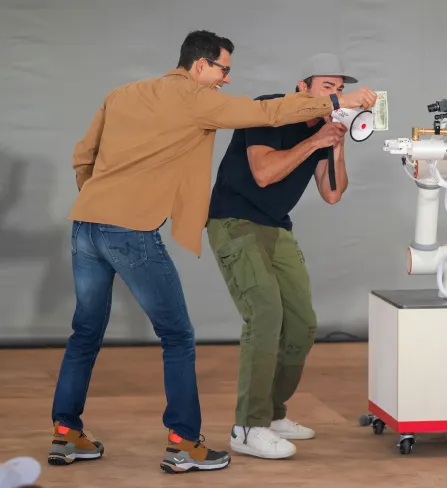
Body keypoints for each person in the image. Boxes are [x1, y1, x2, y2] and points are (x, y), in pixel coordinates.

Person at [49, 31, 377, 474]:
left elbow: (83, 155)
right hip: (132, 230)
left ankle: (66, 434)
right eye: (223, 69)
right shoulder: (195, 98)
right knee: (178, 337)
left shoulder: (122, 94)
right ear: (200, 65)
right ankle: (184, 443)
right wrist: (341, 101)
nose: (226, 79)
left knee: (85, 333)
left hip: (87, 225)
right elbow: (265, 113)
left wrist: (98, 201)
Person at [205, 53, 358, 459]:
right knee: (265, 315)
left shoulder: (321, 129)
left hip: (276, 227)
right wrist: (316, 141)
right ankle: (247, 427)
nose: (335, 95)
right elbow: (264, 173)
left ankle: (271, 414)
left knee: (302, 324)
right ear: (302, 87)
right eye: (327, 87)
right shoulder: (269, 109)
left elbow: (332, 193)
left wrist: (336, 143)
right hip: (235, 222)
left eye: (340, 89)